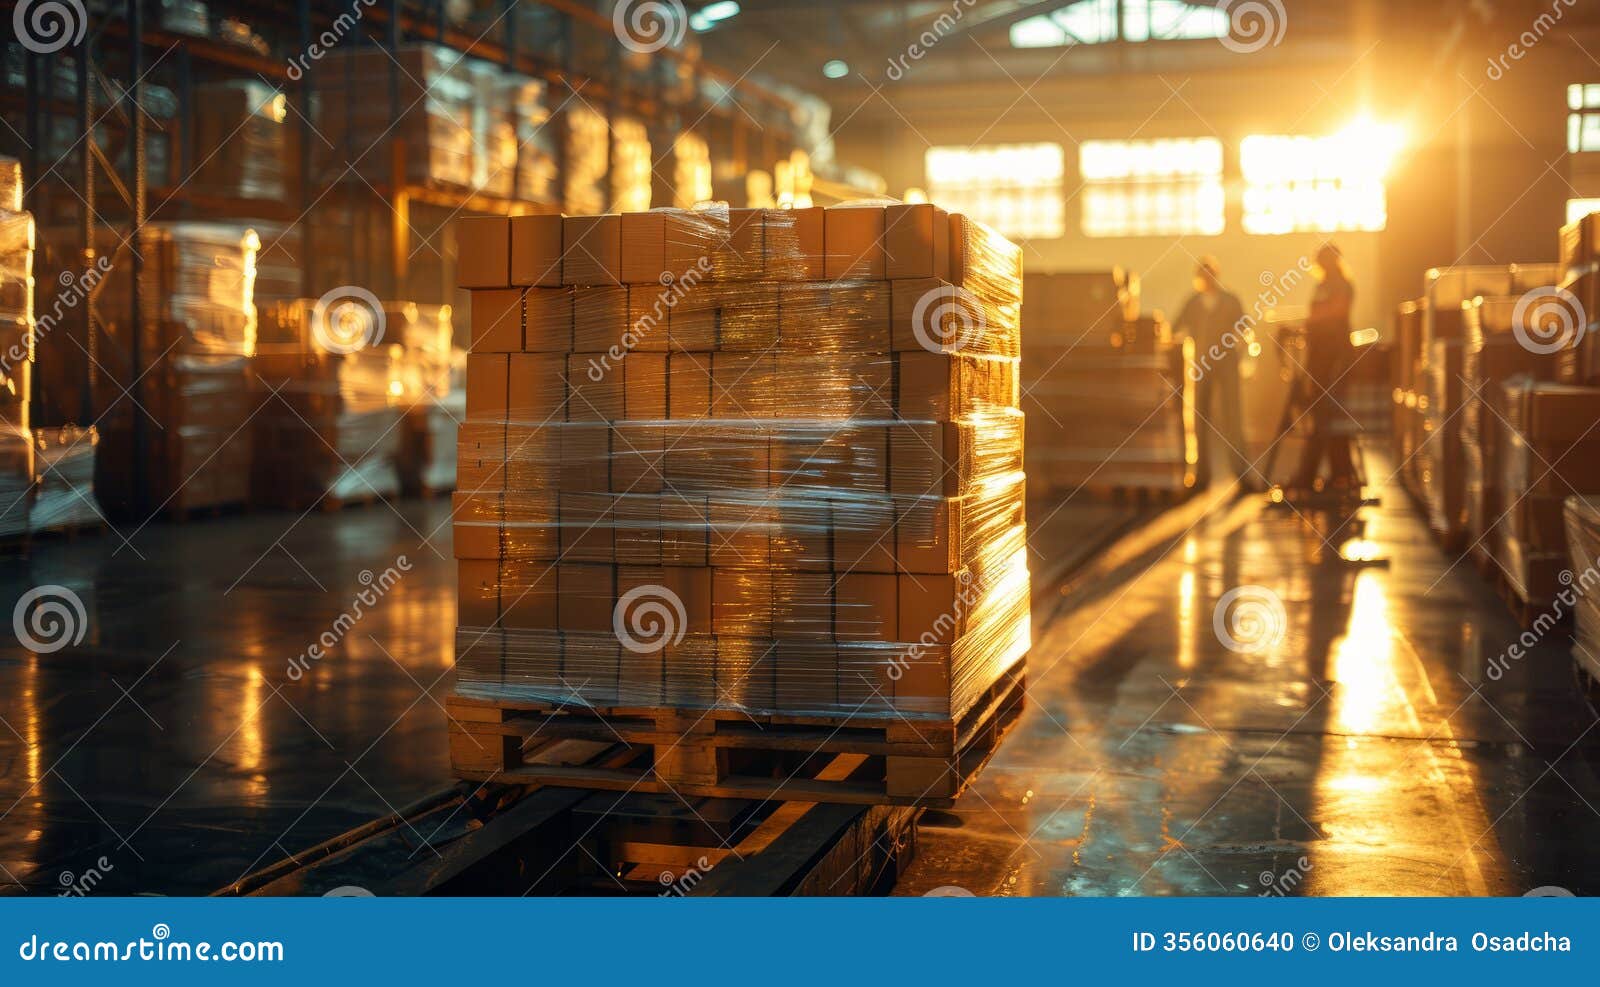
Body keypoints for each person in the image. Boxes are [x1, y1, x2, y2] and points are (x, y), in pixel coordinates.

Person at [1174, 257, 1254, 490]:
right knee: (1199, 419)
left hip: (1227, 365)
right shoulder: (1193, 303)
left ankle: (1241, 474)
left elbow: (1245, 329)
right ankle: (1201, 476)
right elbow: (1177, 328)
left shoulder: (1230, 301)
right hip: (1201, 366)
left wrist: (1242, 355)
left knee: (1233, 418)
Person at [1288, 243, 1359, 492]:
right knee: (1323, 417)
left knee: (1329, 418)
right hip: (1318, 358)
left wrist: (1308, 320)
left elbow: (1335, 311)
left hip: (1335, 359)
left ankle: (1326, 475)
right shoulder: (1322, 286)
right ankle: (1338, 474)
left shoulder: (1341, 285)